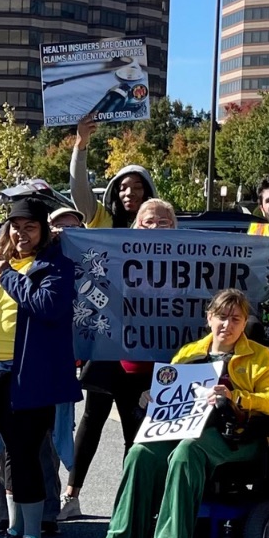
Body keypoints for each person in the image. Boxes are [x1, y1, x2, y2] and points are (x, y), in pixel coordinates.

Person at [84, 289, 269, 538]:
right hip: (187, 430)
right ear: (209, 318)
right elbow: (170, 392)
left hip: (240, 436)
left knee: (187, 451)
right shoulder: (188, 353)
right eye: (222, 317)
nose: (227, 325)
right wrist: (152, 397)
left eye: (235, 319)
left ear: (245, 322)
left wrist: (238, 397)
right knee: (141, 453)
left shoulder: (261, 358)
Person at [0, 197, 81, 538]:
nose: (21, 234)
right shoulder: (0, 265)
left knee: (26, 454)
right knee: (11, 454)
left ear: (44, 231)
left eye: (30, 227)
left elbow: (46, 306)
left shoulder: (57, 266)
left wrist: (8, 275)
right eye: (16, 227)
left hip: (33, 375)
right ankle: (14, 531)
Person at [64, 194, 174, 521]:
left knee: (135, 433)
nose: (155, 227)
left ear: (175, 228)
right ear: (136, 226)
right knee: (91, 422)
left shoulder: (185, 263)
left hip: (150, 363)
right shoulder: (116, 254)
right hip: (109, 353)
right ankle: (71, 495)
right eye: (148, 221)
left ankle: (129, 505)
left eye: (163, 222)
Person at [68, 113, 155, 230]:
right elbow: (79, 189)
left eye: (137, 187)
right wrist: (80, 142)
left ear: (148, 191)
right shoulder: (100, 217)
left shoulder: (159, 222)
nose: (129, 193)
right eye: (123, 188)